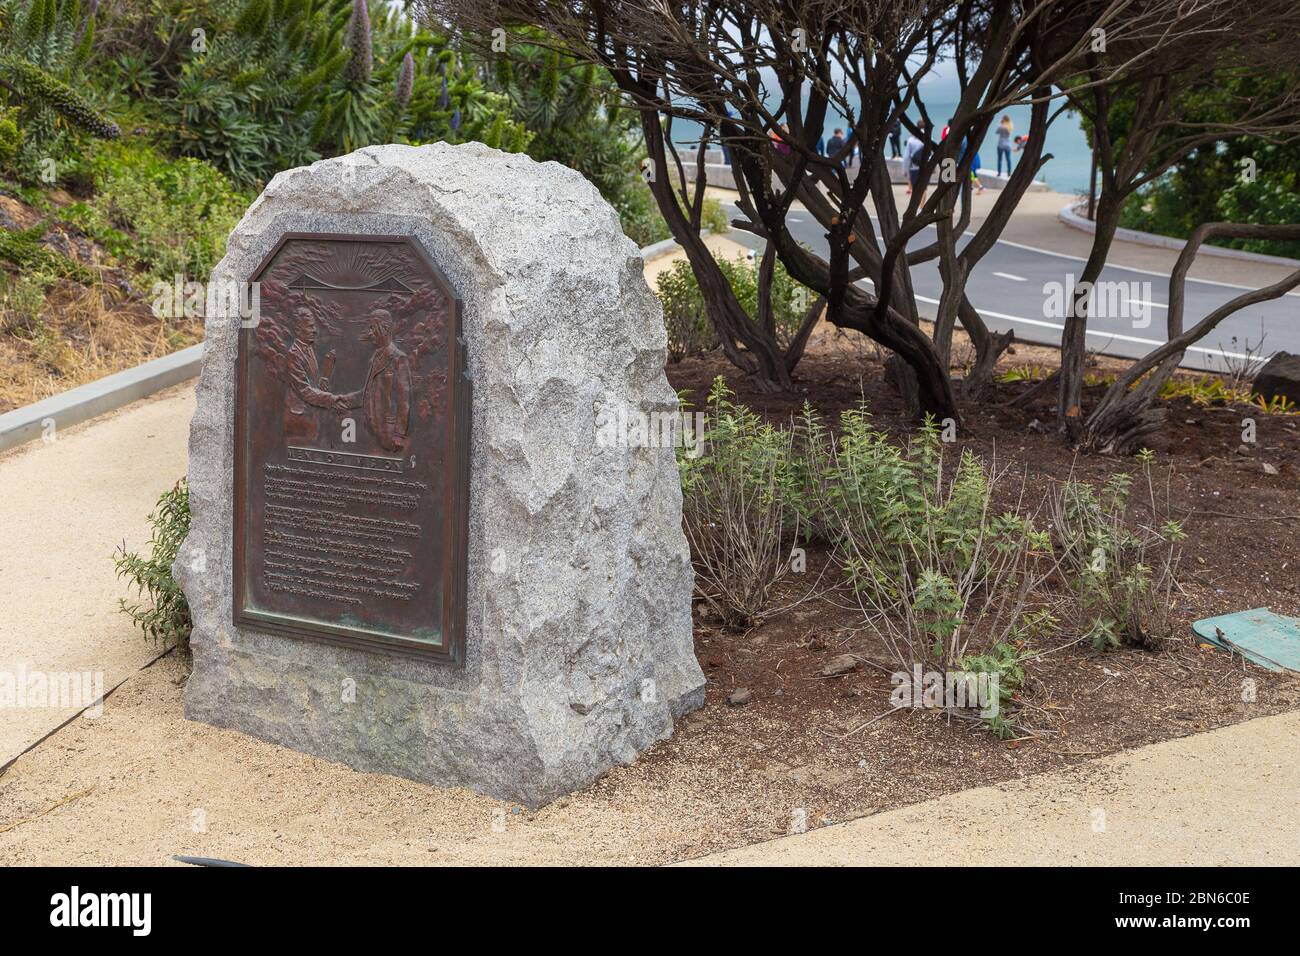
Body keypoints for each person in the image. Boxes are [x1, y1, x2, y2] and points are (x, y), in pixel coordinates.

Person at [282, 304, 352, 443]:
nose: (315, 331)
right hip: (299, 419)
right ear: (298, 329)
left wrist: (326, 373)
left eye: (314, 326)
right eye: (310, 326)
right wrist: (332, 400)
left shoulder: (308, 348)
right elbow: (304, 390)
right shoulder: (294, 355)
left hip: (311, 415)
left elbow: (313, 384)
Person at [903, 130, 927, 200]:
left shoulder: (910, 141)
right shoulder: (929, 140)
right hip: (925, 167)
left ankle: (916, 206)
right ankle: (921, 207)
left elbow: (906, 157)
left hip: (914, 167)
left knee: (915, 189)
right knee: (924, 189)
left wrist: (905, 170)